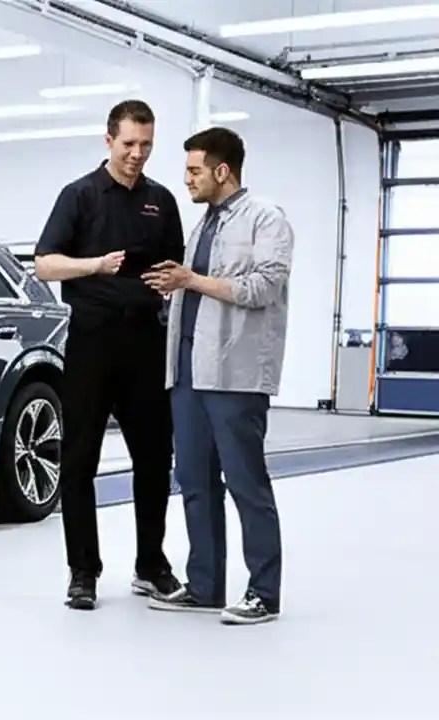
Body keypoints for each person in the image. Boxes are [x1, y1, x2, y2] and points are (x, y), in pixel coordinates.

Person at [34, 99, 187, 610]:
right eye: (128, 144)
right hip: (92, 339)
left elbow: (176, 266)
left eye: (146, 144)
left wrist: (169, 282)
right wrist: (95, 265)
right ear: (108, 141)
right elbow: (45, 266)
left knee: (153, 458)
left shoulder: (161, 201)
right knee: (79, 461)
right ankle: (83, 571)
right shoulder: (78, 196)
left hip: (145, 340)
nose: (137, 154)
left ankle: (151, 564)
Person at [141, 126, 293, 625]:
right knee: (194, 481)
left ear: (222, 171)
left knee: (246, 482)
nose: (186, 179)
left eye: (194, 170)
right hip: (187, 373)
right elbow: (202, 291)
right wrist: (175, 289)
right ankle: (204, 585)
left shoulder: (266, 218)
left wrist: (191, 280)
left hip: (236, 374)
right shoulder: (203, 224)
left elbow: (265, 287)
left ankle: (263, 594)